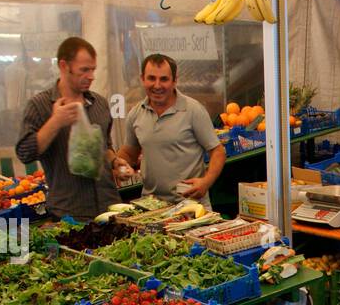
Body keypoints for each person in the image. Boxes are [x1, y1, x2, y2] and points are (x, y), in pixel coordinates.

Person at [15, 37, 120, 221]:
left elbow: (106, 146)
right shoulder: (40, 105)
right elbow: (25, 152)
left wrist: (115, 162)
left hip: (108, 207)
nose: (91, 76)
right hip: (70, 214)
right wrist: (56, 122)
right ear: (64, 66)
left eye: (93, 69)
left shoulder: (99, 104)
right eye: (84, 70)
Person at [113, 54, 225, 207]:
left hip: (190, 205)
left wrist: (206, 181)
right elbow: (129, 153)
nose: (157, 85)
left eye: (164, 79)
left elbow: (217, 151)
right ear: (142, 79)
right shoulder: (136, 114)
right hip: (151, 206)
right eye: (151, 78)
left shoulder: (193, 110)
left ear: (174, 81)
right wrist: (119, 165)